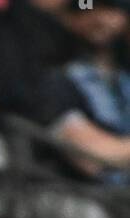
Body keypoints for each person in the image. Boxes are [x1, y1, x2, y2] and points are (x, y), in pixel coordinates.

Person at [39, 0, 130, 183]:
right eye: (93, 9)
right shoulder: (56, 81)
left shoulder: (123, 80)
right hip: (88, 194)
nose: (102, 20)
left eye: (112, 11)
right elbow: (90, 156)